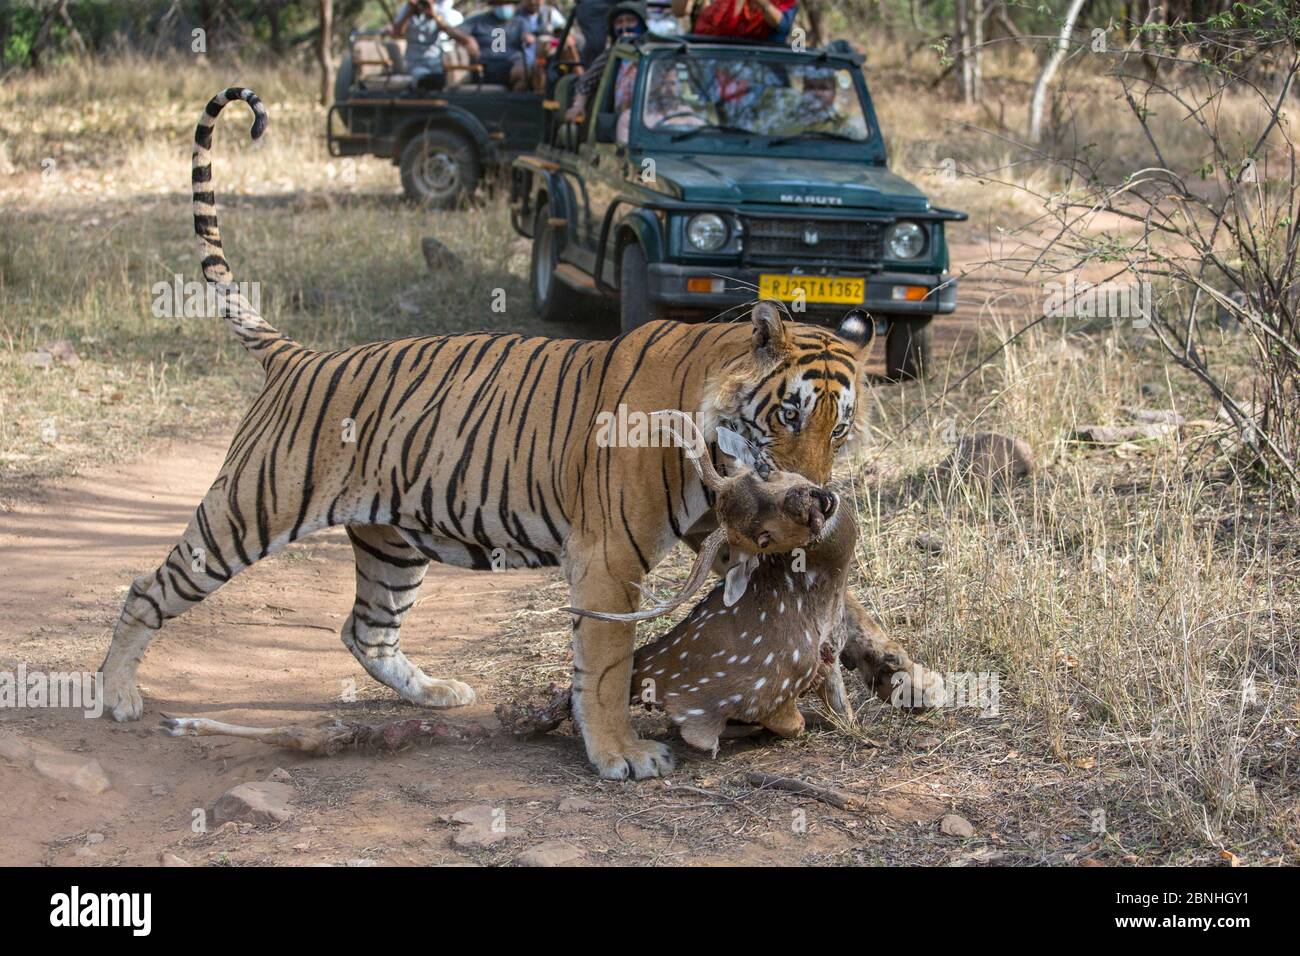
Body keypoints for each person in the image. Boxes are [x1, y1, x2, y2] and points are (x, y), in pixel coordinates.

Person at [564, 0, 646, 123]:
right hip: (619, 121)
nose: (624, 27)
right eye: (619, 22)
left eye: (630, 20)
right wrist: (578, 106)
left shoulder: (654, 52)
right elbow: (585, 83)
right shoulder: (611, 54)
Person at [388, 0, 480, 90]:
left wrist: (433, 15)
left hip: (435, 63)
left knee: (436, 80)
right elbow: (396, 33)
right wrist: (410, 12)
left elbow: (449, 31)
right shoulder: (407, 9)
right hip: (415, 62)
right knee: (424, 78)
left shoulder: (438, 10)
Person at [462, 1, 530, 90]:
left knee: (523, 72)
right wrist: (466, 39)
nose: (504, 7)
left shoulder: (520, 21)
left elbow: (528, 37)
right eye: (500, 4)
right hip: (484, 67)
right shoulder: (478, 20)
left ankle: (515, 100)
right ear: (493, 5)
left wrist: (528, 38)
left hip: (511, 65)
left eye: (507, 3)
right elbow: (454, 31)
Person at [671, 0, 797, 43]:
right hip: (709, 57)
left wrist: (763, 4)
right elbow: (679, 11)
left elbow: (783, 25)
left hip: (762, 63)